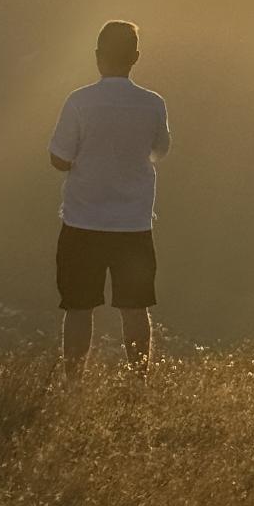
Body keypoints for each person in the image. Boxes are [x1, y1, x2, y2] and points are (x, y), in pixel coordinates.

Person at [48, 19, 171, 372]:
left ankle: (73, 383)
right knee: (135, 307)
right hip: (132, 223)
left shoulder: (79, 102)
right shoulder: (153, 104)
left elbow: (60, 158)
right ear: (136, 56)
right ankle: (139, 380)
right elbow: (159, 150)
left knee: (78, 306)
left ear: (98, 56)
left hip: (82, 220)